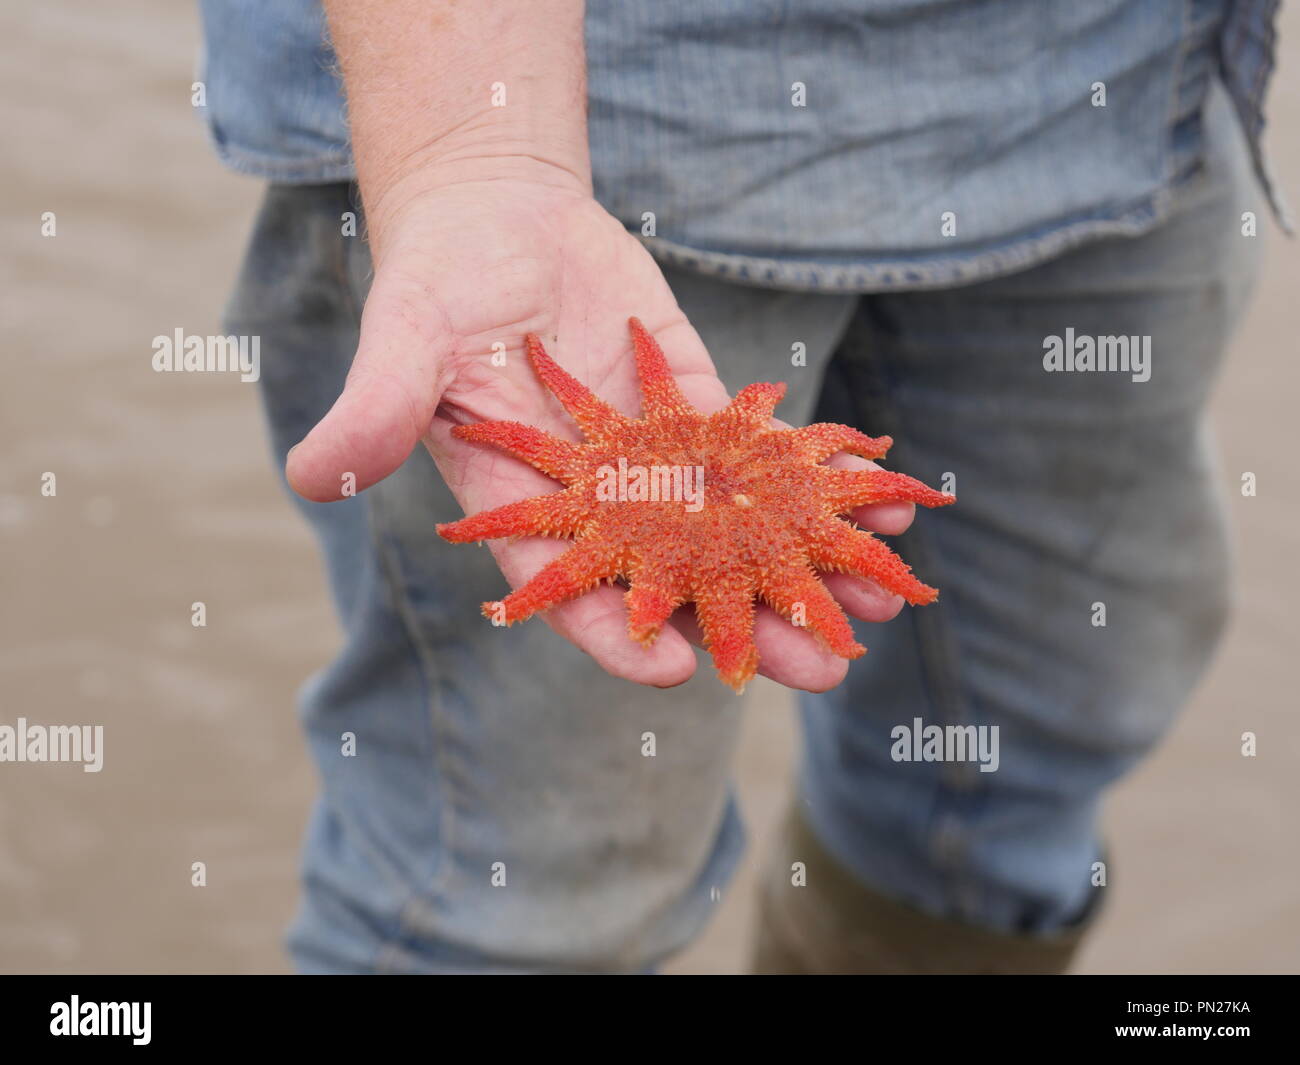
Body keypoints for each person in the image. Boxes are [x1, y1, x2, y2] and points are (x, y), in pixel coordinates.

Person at [198, 0, 1287, 973]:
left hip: (1111, 95)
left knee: (1011, 789)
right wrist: (473, 161)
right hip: (569, 106)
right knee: (523, 886)